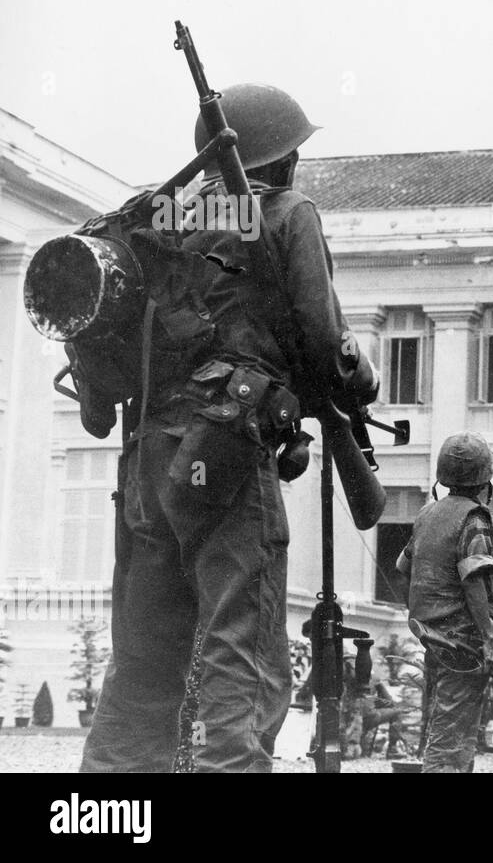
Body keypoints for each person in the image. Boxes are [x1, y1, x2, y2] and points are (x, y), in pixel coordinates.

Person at [81, 84, 378, 773]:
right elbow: (325, 342)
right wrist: (361, 380)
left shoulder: (163, 220)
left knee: (143, 665)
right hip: (226, 456)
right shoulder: (287, 212)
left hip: (148, 461)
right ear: (284, 158)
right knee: (239, 654)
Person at [399, 432, 493, 773]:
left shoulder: (427, 515)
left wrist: (429, 612)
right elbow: (473, 579)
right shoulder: (474, 518)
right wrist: (489, 637)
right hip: (465, 642)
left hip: (436, 639)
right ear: (484, 480)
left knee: (453, 733)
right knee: (452, 740)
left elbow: (402, 567)